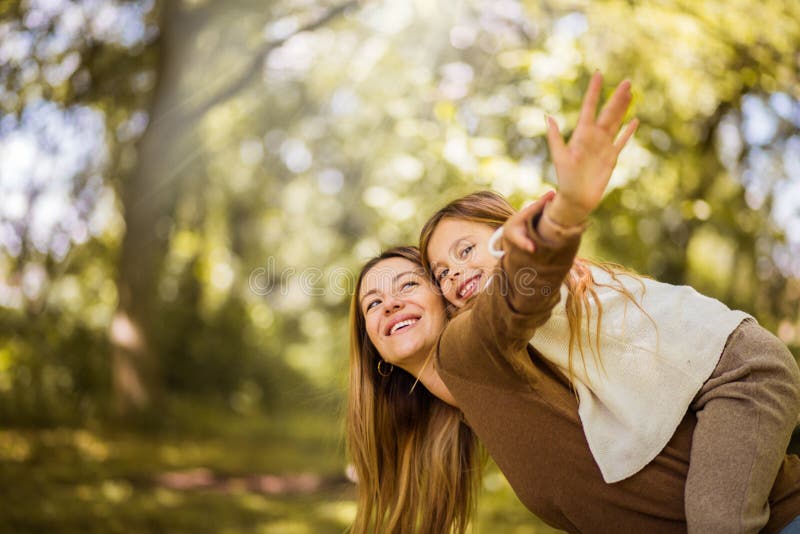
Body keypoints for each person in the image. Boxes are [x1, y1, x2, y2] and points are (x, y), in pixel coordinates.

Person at [345, 72, 800, 533]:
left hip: (738, 369)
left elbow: (521, 286)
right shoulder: (504, 381)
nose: (391, 303)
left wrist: (563, 214)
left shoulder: (468, 345)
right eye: (373, 303)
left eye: (407, 285)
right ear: (371, 346)